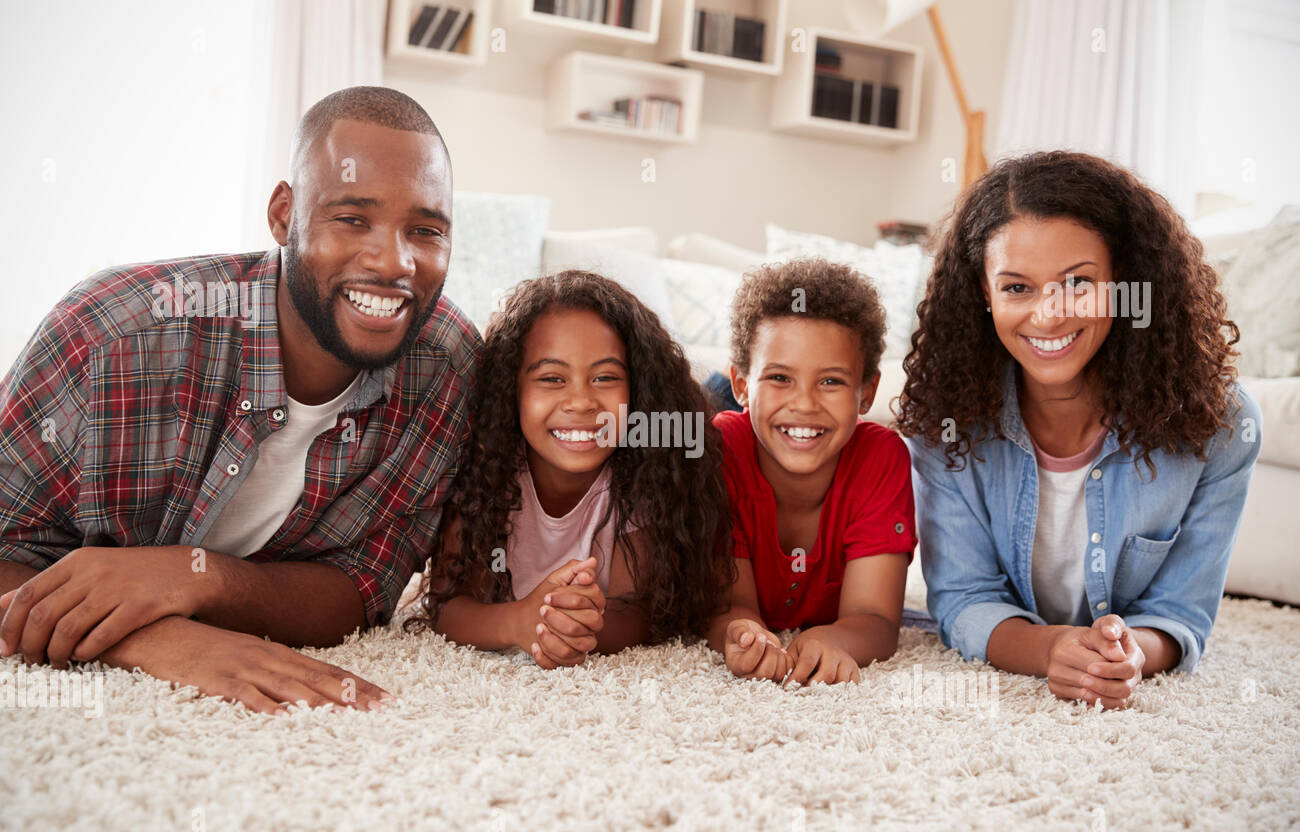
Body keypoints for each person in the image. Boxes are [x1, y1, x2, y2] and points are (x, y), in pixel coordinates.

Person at [0, 86, 478, 714]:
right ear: (284, 214)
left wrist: (189, 575)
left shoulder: (446, 365)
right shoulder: (112, 332)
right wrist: (161, 640)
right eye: (352, 219)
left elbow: (362, 589)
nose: (394, 262)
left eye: (424, 230)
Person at [897, 150, 1261, 709]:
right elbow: (964, 600)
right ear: (983, 294)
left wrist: (1128, 654)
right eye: (1017, 288)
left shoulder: (1220, 425)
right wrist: (1050, 649)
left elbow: (1180, 615)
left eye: (1078, 283)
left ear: (1125, 281)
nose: (1049, 315)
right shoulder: (945, 420)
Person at [406, 271, 732, 666]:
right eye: (552, 378)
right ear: (512, 389)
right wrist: (520, 622)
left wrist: (577, 624)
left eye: (605, 377)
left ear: (639, 390)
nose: (581, 402)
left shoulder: (645, 478)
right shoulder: (484, 474)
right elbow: (448, 607)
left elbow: (640, 612)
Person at [707, 258, 918, 686]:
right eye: (780, 377)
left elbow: (875, 619)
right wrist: (743, 635)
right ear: (742, 385)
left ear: (867, 392)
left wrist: (835, 639)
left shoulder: (881, 457)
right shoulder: (721, 449)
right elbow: (727, 606)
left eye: (831, 382)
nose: (804, 404)